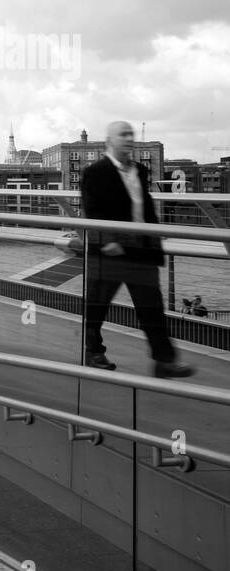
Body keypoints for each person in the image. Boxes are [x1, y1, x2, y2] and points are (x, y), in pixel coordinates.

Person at [81, 121, 194, 378]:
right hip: (110, 251)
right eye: (123, 134)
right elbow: (92, 209)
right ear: (109, 140)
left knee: (151, 307)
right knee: (97, 306)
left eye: (130, 133)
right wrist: (108, 241)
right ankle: (93, 352)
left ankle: (164, 361)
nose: (129, 138)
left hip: (141, 249)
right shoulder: (95, 172)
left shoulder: (140, 171)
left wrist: (156, 238)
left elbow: (144, 206)